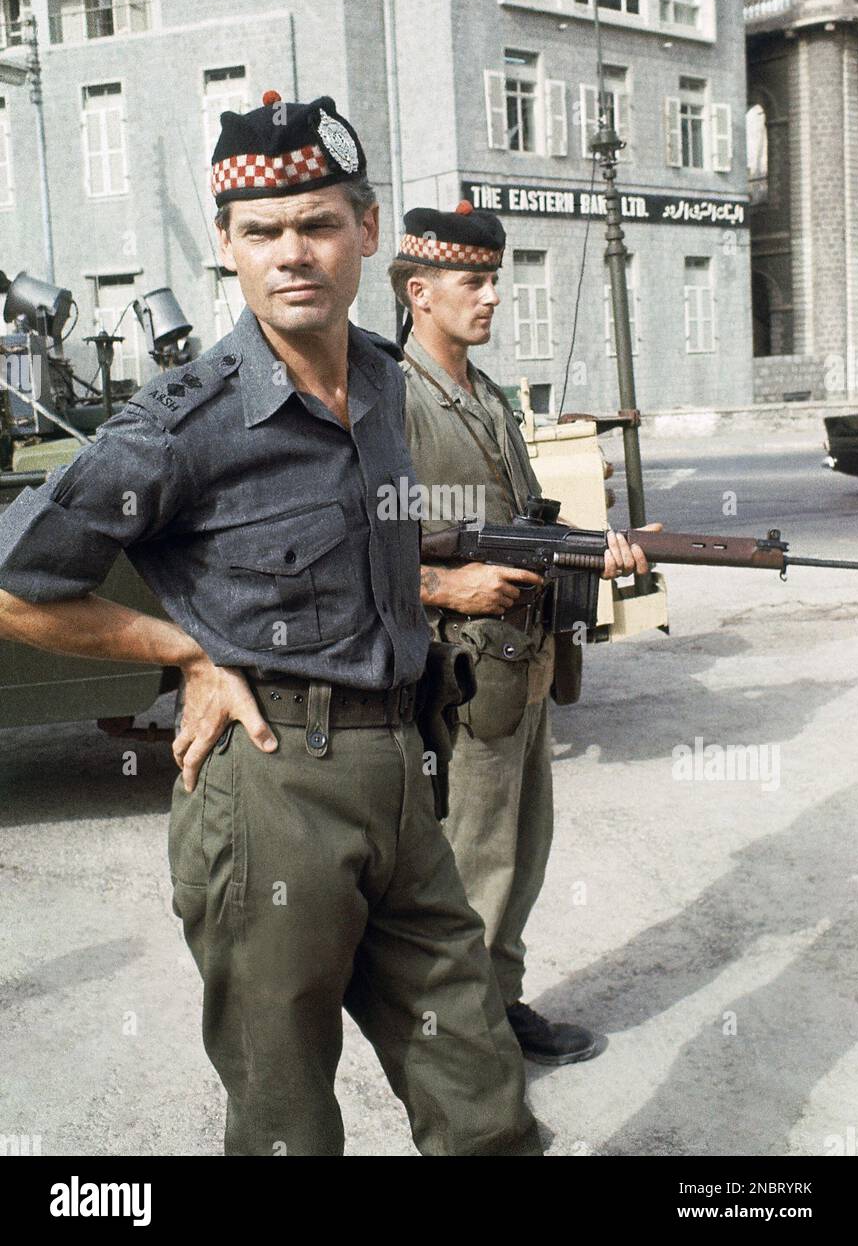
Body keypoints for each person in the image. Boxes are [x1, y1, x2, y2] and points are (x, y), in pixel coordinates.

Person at [0, 99, 542, 1157]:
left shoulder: (385, 383)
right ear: (226, 248)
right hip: (270, 786)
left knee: (483, 1095)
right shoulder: (183, 423)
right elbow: (15, 585)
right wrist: (184, 651)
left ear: (366, 232)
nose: (291, 252)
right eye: (261, 231)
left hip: (403, 777)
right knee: (286, 1124)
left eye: (317, 223)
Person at [389, 202, 653, 1066]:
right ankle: (461, 1048)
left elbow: (519, 519)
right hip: (461, 676)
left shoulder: (489, 394)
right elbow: (359, 543)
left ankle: (500, 1006)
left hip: (521, 667)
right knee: (473, 867)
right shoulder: (393, 399)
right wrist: (445, 583)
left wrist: (592, 552)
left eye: (495, 278)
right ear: (420, 292)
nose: (494, 296)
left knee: (523, 851)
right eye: (474, 281)